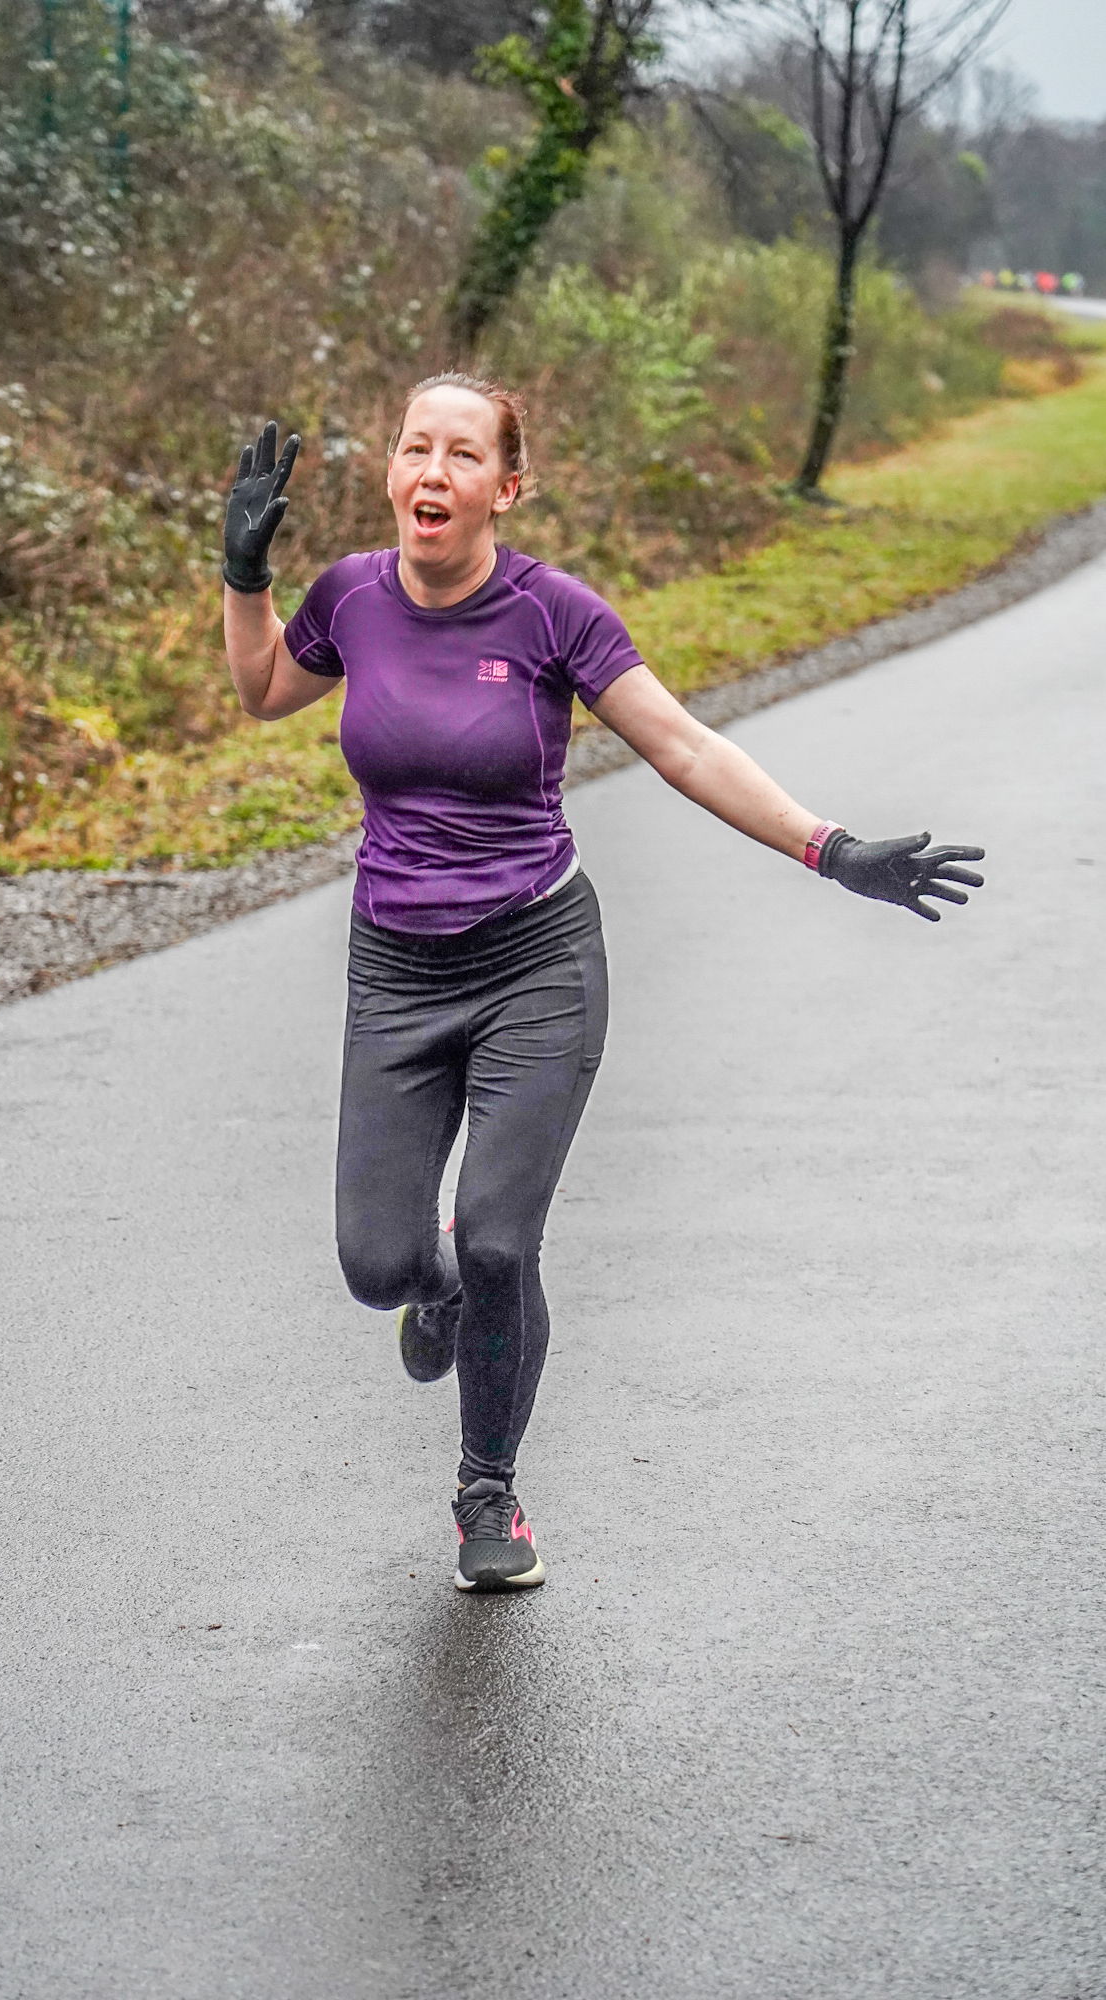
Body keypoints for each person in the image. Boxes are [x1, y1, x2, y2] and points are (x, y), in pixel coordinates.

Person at [220, 374, 983, 1592]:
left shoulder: (552, 613)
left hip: (536, 962)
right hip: (396, 970)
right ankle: (441, 1289)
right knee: (379, 1263)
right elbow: (263, 691)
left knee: (504, 1241)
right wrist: (245, 580)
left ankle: (489, 1493)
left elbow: (681, 744)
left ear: (505, 488)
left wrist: (829, 847)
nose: (433, 473)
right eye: (416, 449)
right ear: (393, 472)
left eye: (464, 456)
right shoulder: (350, 596)